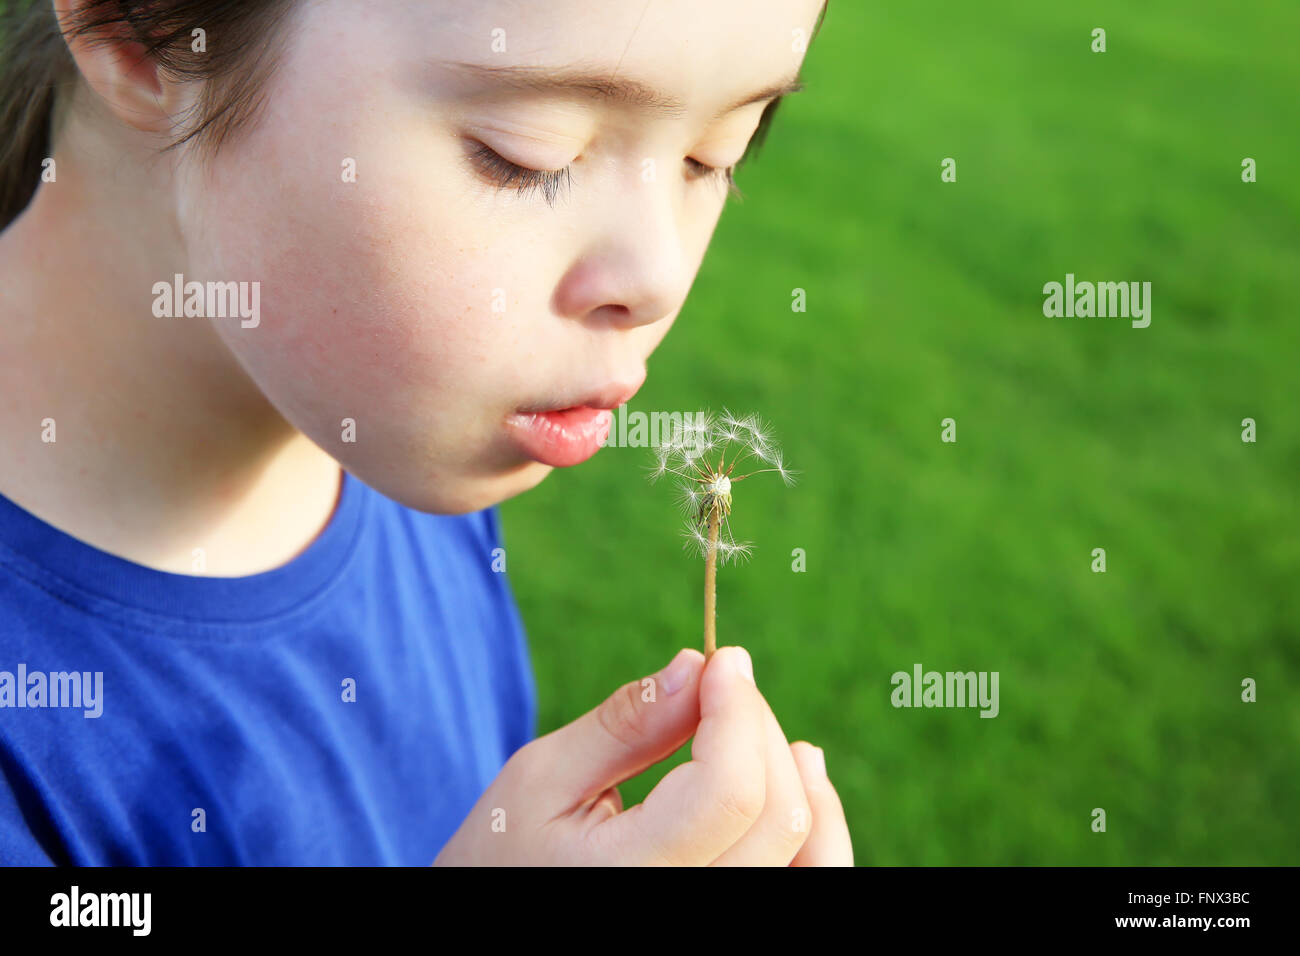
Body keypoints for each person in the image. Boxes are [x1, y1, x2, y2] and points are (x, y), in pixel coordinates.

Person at [0, 0, 850, 865]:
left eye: (716, 155)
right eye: (527, 155)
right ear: (137, 32)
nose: (658, 276)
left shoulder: (391, 443)